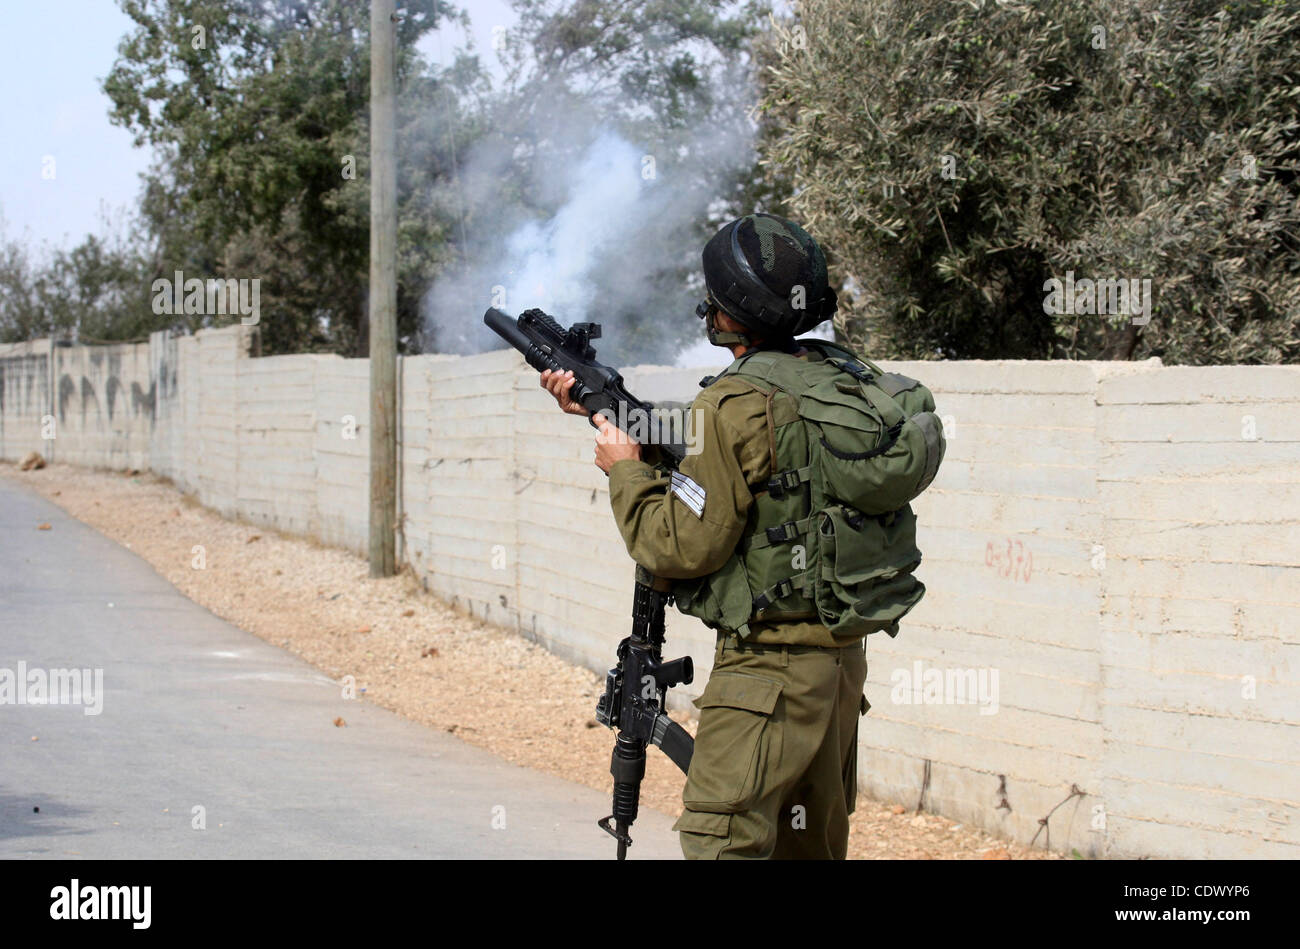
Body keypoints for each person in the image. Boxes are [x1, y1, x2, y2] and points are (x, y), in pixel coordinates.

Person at [540, 213, 880, 859]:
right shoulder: (838, 380)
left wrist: (626, 469)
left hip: (765, 676)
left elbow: (679, 546)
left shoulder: (732, 403)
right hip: (838, 669)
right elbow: (758, 462)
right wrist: (609, 411)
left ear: (732, 313)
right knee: (806, 849)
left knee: (720, 844)